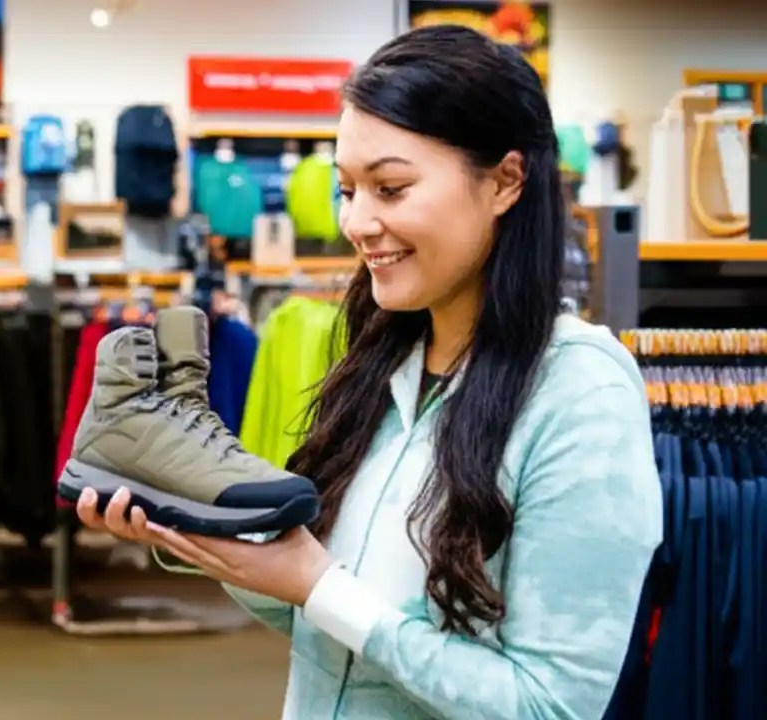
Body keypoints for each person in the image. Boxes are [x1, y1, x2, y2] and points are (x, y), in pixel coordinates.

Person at [74, 25, 662, 720]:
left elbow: (550, 704)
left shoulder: (580, 392)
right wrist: (194, 530)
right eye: (347, 190)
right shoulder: (381, 366)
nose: (356, 221)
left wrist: (323, 586)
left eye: (390, 187)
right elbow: (325, 631)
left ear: (505, 181)